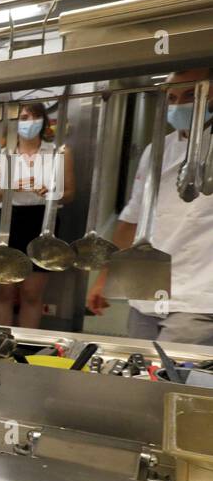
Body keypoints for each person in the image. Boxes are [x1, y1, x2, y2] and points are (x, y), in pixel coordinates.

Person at [88, 68, 213, 344]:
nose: (180, 105)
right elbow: (132, 220)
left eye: (191, 95)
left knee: (173, 380)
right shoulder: (156, 149)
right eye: (172, 98)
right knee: (140, 373)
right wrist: (105, 277)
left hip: (200, 298)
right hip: (147, 290)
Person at [0, 101, 76, 328]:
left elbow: (70, 194)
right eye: (23, 118)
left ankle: (25, 346)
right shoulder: (0, 154)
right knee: (4, 292)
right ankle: (0, 344)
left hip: (43, 221)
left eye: (34, 117)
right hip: (7, 221)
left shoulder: (58, 153)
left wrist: (52, 193)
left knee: (31, 293)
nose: (29, 123)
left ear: (44, 121)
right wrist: (10, 188)